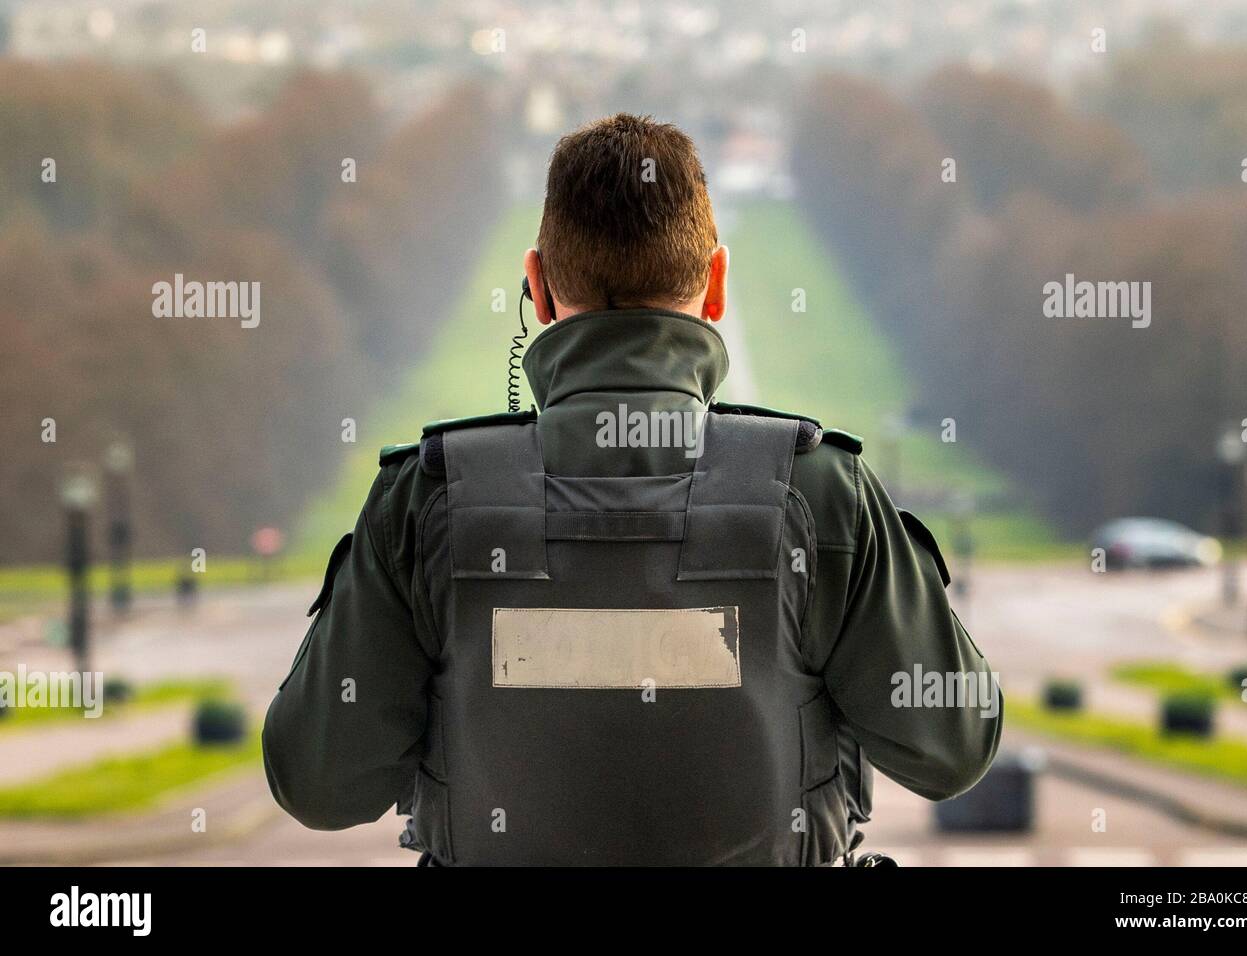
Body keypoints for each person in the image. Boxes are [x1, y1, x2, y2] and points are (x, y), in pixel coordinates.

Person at [263, 113, 1001, 865]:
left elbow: (321, 784)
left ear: (538, 286)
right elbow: (952, 748)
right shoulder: (822, 494)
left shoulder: (423, 502)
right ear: (715, 284)